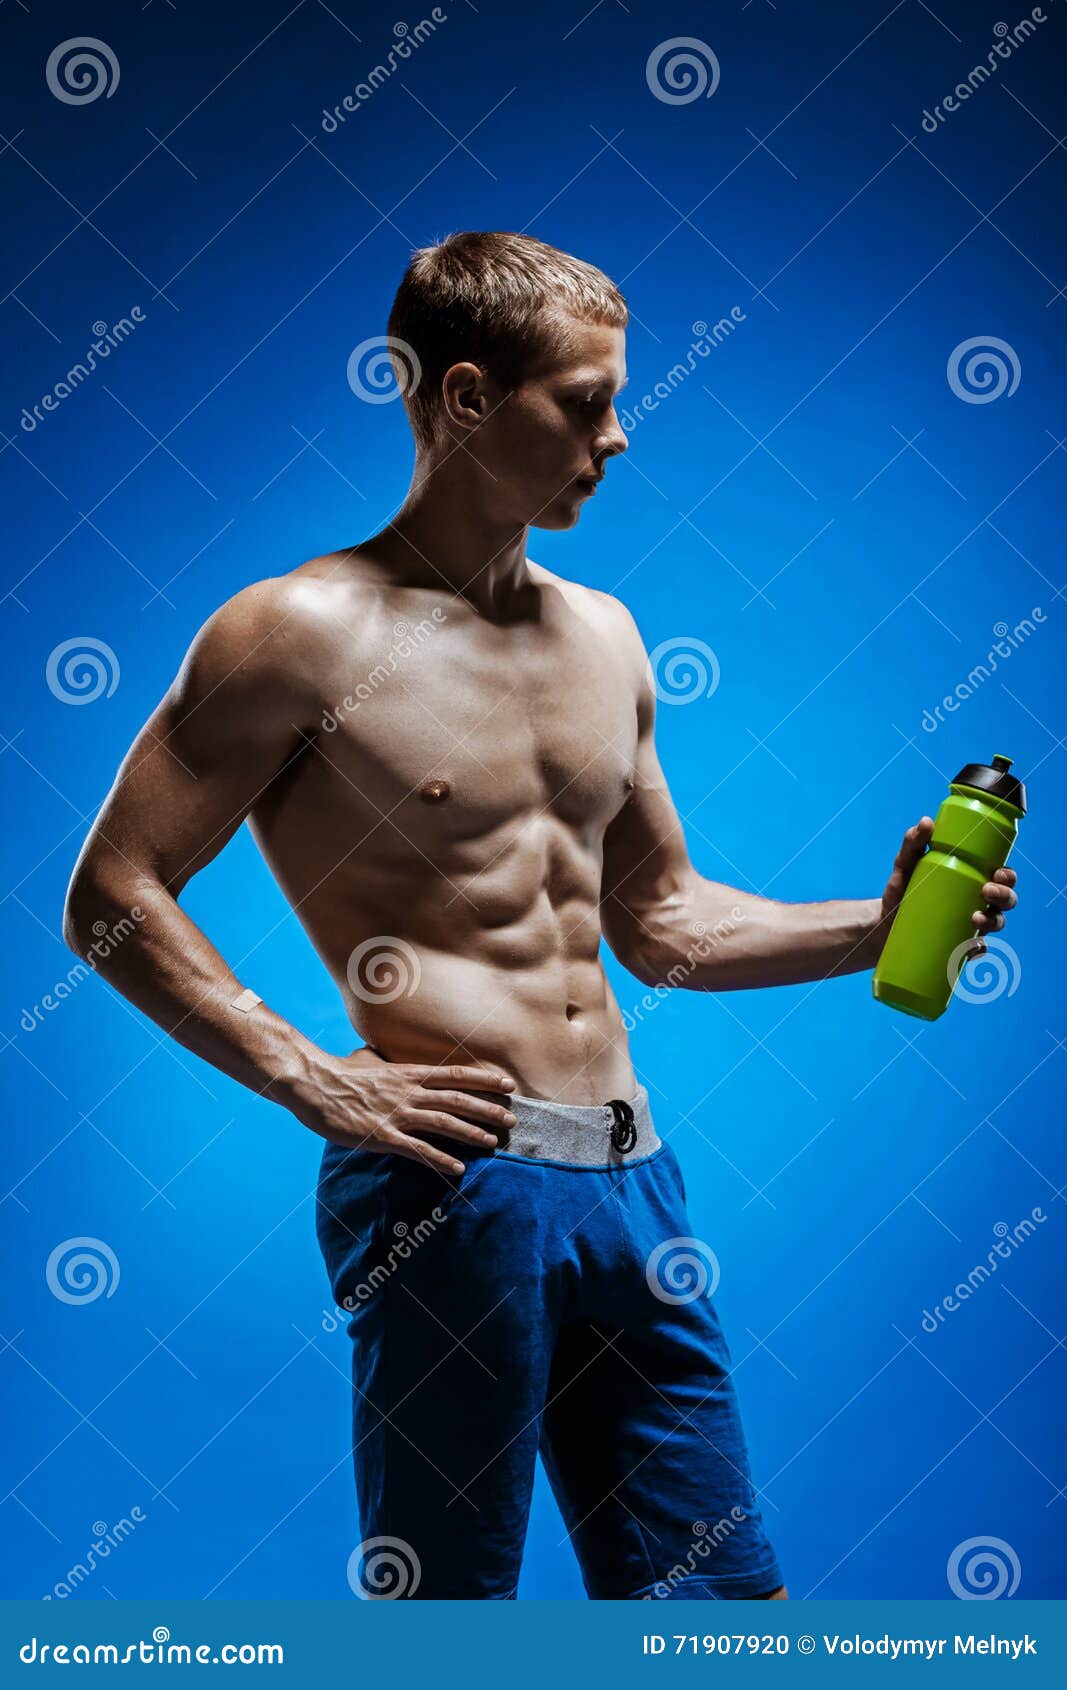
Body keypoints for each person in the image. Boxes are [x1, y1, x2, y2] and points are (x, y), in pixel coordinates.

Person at [62, 230, 1019, 1601]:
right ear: (463, 399)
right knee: (453, 1613)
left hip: (636, 1185)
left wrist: (874, 929)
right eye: (583, 402)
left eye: (616, 400)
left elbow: (665, 920)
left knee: (722, 1614)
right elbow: (111, 892)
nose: (616, 437)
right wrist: (306, 1073)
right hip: (457, 1185)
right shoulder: (299, 632)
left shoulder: (608, 638)